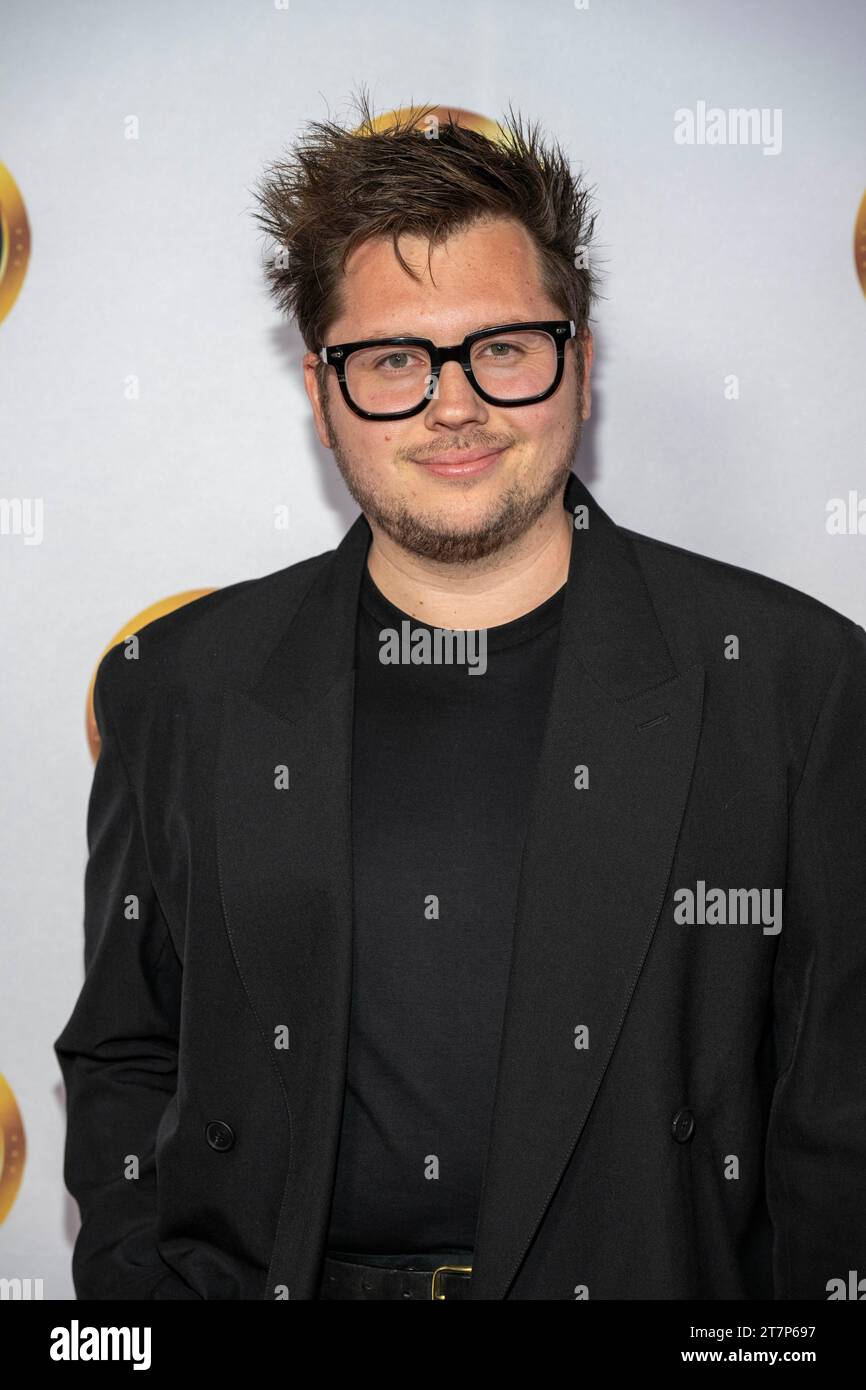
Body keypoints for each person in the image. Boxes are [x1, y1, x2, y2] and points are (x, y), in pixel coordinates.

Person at [54, 94, 866, 1301]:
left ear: (577, 368)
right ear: (323, 397)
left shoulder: (791, 680)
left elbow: (835, 1124)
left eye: (501, 346)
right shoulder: (183, 684)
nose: (451, 402)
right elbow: (128, 1043)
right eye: (390, 358)